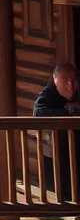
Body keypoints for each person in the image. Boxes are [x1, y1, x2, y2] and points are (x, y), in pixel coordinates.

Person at [35, 63, 79, 203]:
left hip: (76, 149)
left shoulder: (77, 93)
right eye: (64, 81)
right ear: (55, 80)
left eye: (73, 81)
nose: (70, 86)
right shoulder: (48, 95)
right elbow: (39, 113)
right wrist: (66, 113)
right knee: (63, 187)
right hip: (57, 151)